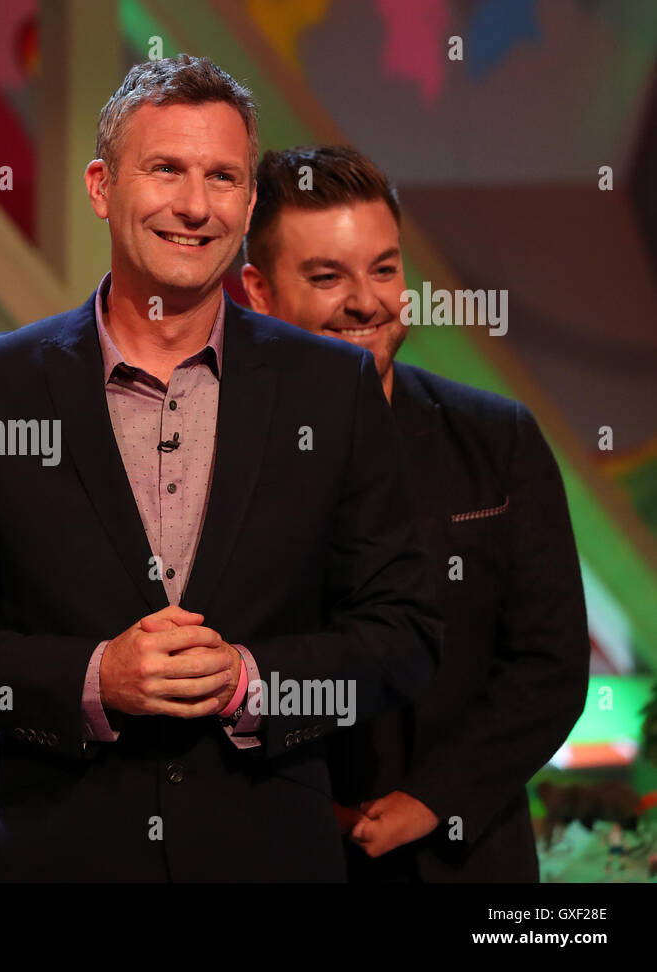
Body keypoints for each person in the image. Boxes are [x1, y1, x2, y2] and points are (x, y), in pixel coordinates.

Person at [0, 56, 441, 881]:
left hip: (267, 859)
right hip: (58, 857)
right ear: (103, 186)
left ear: (249, 204)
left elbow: (405, 635)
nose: (194, 205)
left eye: (222, 177)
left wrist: (255, 683)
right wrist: (94, 678)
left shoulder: (333, 388)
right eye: (166, 170)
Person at [240, 145, 589, 881]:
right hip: (277, 851)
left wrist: (432, 800)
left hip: (464, 860)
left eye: (384, 268)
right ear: (258, 292)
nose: (366, 300)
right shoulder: (209, 450)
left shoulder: (498, 440)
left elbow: (551, 666)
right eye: (327, 276)